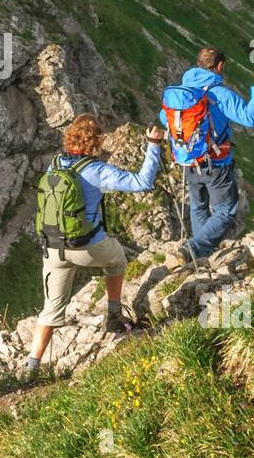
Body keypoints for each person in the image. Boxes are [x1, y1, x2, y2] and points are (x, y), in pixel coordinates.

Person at [26, 113, 163, 373]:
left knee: (51, 310)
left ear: (70, 138)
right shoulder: (96, 170)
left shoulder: (54, 165)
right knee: (118, 260)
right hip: (87, 247)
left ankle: (31, 367)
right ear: (97, 142)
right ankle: (113, 316)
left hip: (53, 248)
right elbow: (142, 183)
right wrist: (153, 145)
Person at [160, 47, 254, 265]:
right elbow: (249, 118)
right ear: (219, 66)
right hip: (216, 162)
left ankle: (199, 255)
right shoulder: (219, 93)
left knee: (198, 206)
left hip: (189, 159)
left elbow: (165, 118)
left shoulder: (181, 92)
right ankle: (192, 248)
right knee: (224, 212)